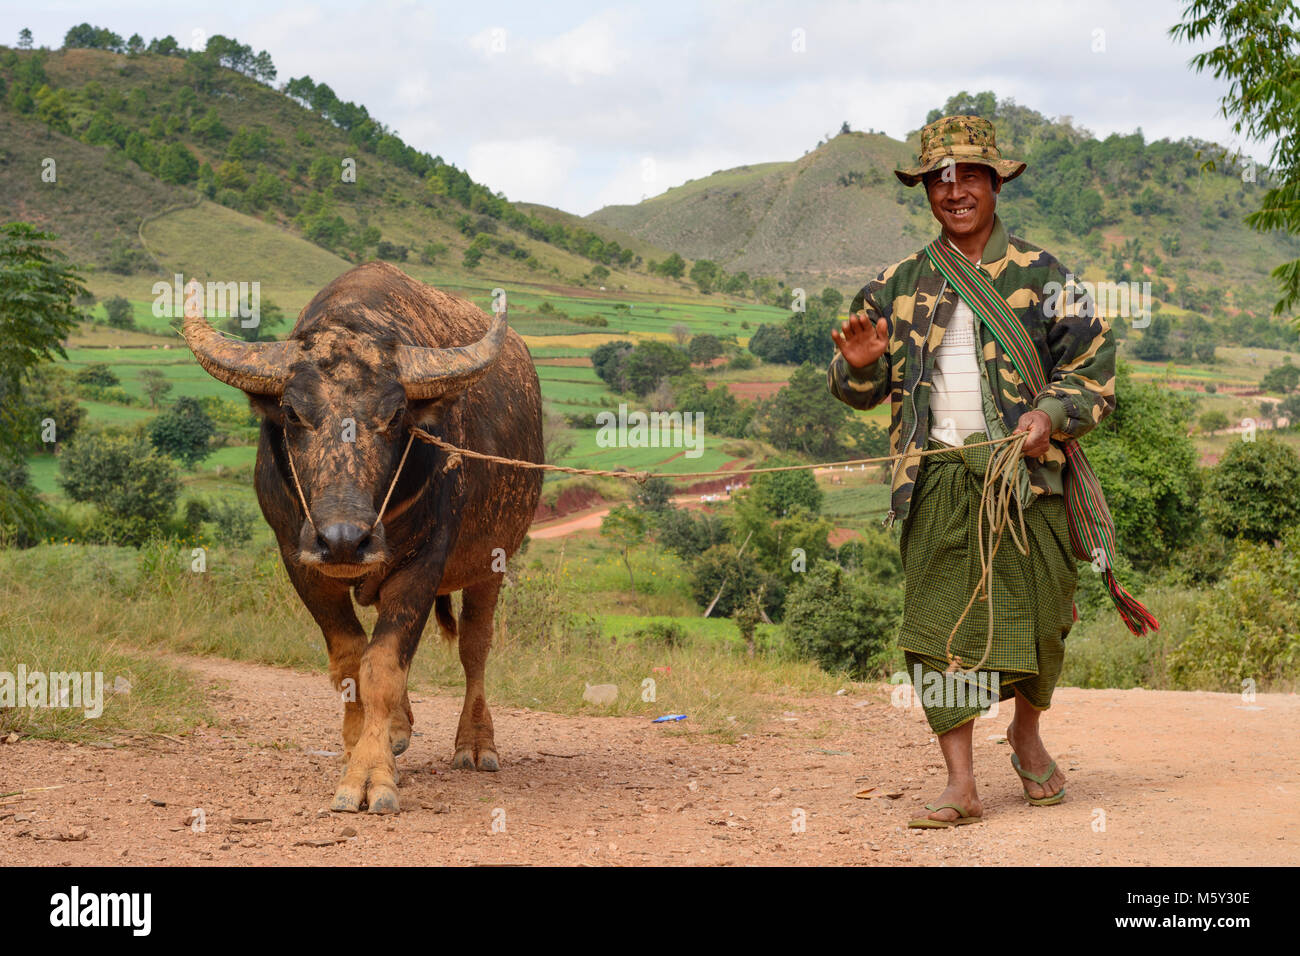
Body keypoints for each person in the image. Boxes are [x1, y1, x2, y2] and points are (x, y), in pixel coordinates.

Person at [827, 115, 1116, 827]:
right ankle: (960, 782)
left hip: (1026, 480)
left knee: (1045, 620)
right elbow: (858, 388)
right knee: (937, 630)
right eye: (939, 181)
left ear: (994, 183)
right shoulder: (894, 285)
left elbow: (1092, 372)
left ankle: (1024, 732)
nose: (954, 193)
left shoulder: (1043, 275)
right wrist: (857, 368)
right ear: (926, 191)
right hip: (934, 482)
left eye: (968, 178)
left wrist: (1047, 416)